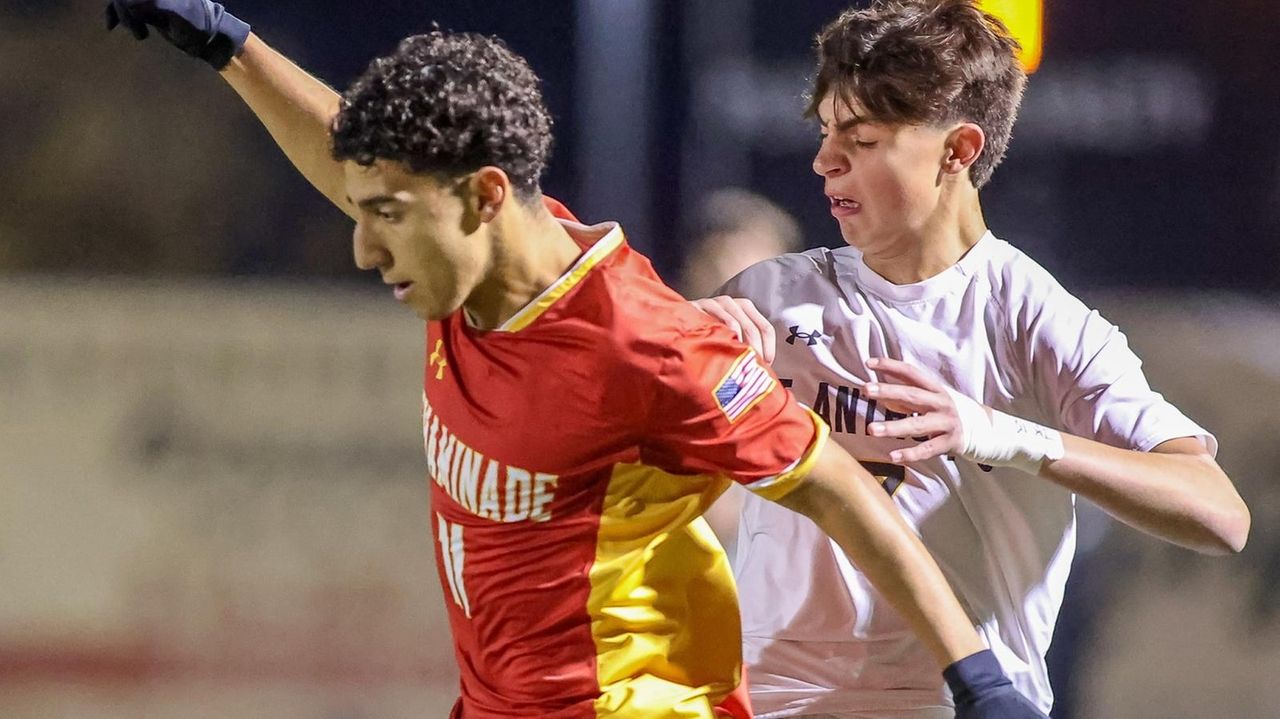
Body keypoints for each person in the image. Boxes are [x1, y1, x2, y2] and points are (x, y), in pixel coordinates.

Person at [104, 2, 1051, 718]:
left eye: (387, 218)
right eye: (369, 210)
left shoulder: (647, 344)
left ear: (480, 196)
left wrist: (977, 676)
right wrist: (223, 40)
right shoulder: (471, 271)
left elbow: (835, 486)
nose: (364, 246)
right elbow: (346, 150)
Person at [692, 1, 1251, 717]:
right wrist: (677, 362)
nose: (824, 160)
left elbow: (1219, 513)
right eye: (827, 132)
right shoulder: (768, 296)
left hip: (956, 705)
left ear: (956, 151)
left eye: (860, 139)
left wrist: (995, 431)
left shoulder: (1035, 317)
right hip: (768, 701)